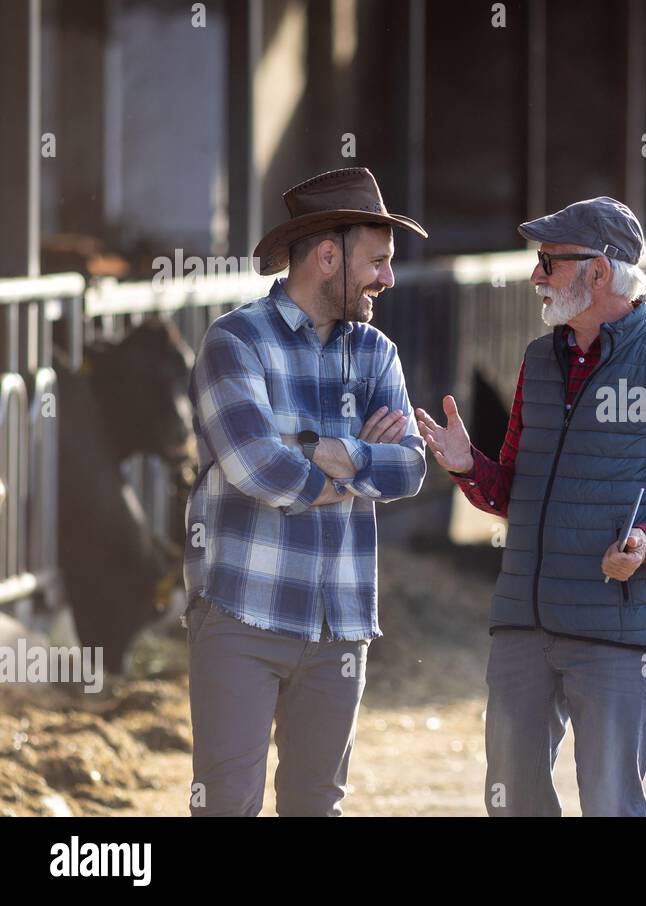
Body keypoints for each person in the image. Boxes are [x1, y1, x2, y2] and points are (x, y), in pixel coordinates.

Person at [417, 196, 646, 816]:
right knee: (510, 801)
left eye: (550, 261)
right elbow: (514, 490)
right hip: (523, 625)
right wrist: (464, 464)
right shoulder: (538, 360)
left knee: (609, 804)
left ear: (601, 272)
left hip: (614, 630)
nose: (537, 276)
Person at [183, 167, 427, 816]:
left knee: (317, 804)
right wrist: (357, 462)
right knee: (226, 804)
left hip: (341, 623)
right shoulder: (235, 342)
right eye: (377, 261)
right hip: (243, 611)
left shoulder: (377, 354)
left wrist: (316, 446)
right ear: (327, 257)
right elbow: (256, 467)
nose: (388, 278)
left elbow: (409, 468)